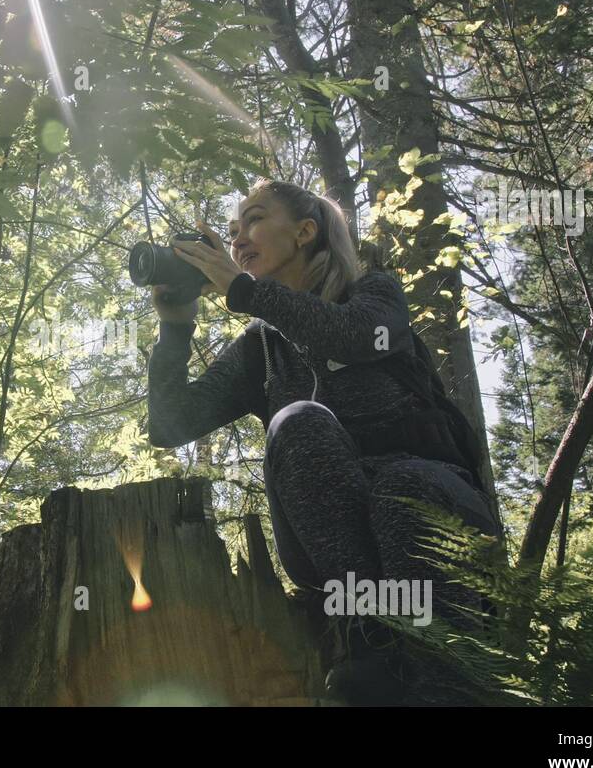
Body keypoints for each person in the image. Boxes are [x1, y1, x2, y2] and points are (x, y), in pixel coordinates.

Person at [146, 179, 500, 704]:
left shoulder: (373, 293)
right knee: (298, 421)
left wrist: (242, 289)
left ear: (306, 232)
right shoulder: (260, 349)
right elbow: (170, 425)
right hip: (332, 550)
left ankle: (442, 678)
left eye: (255, 220)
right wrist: (175, 327)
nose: (238, 238)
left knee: (400, 489)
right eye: (233, 229)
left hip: (435, 508)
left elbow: (355, 336)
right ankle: (370, 639)